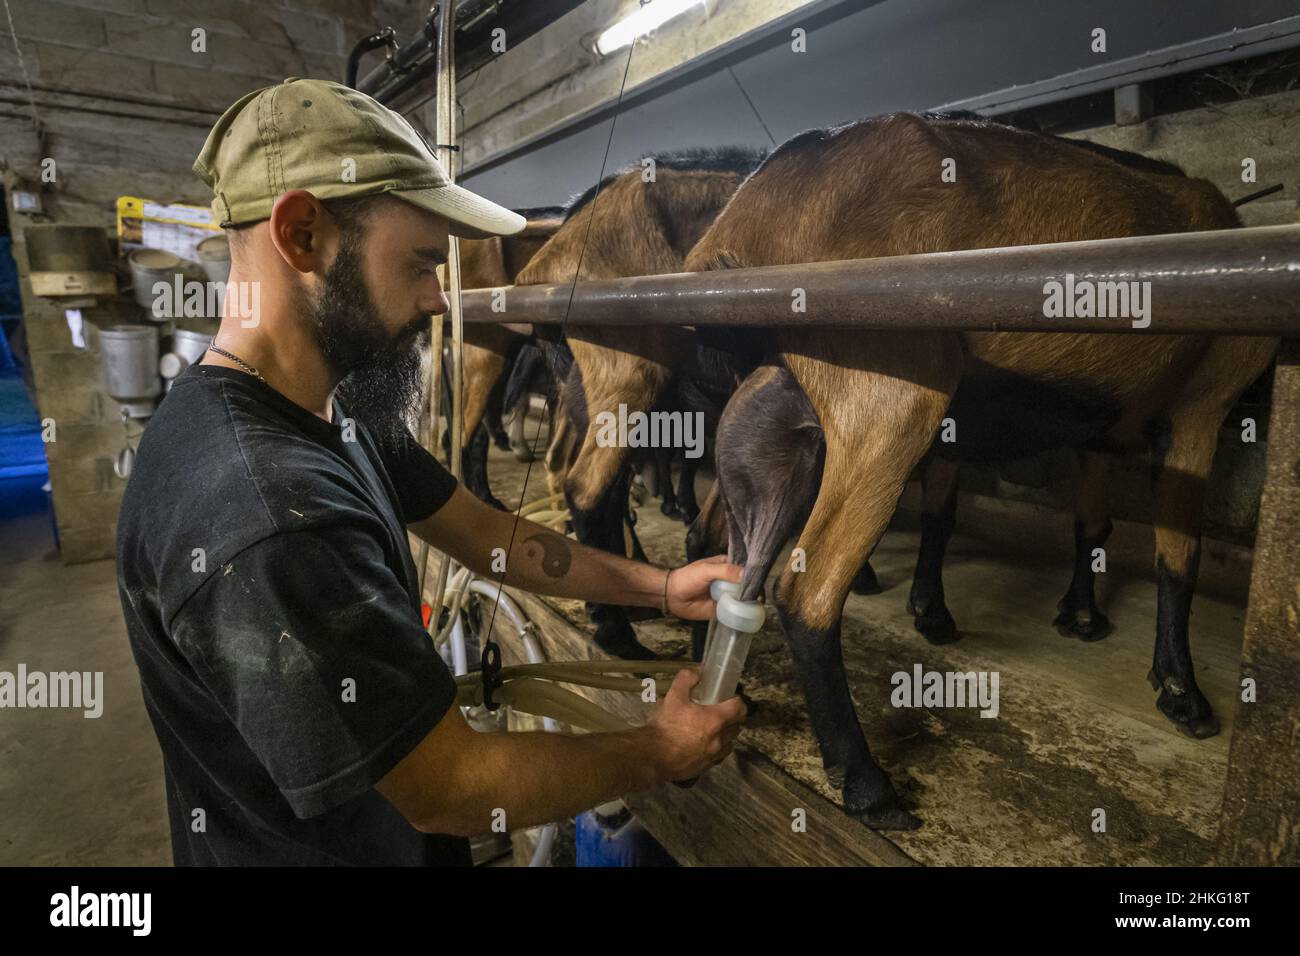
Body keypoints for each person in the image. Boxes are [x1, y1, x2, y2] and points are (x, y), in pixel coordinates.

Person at [116, 78, 746, 866]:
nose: (439, 300)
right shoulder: (263, 512)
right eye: (419, 264)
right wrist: (659, 750)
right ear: (303, 236)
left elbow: (484, 535)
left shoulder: (328, 406)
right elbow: (451, 786)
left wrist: (659, 587)